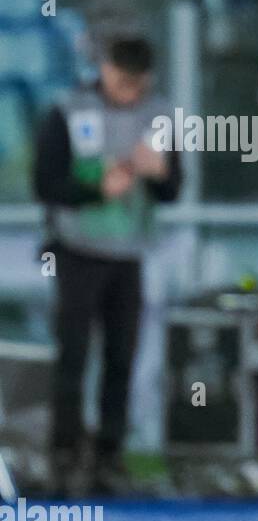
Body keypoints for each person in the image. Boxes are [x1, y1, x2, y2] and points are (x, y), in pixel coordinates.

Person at [33, 36, 181, 496]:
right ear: (105, 70)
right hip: (76, 251)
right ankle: (63, 456)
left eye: (138, 85)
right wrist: (98, 189)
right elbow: (46, 182)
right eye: (122, 82)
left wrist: (159, 173)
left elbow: (173, 189)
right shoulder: (67, 110)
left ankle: (109, 457)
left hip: (128, 254)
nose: (129, 92)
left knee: (122, 358)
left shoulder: (158, 118)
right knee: (73, 358)